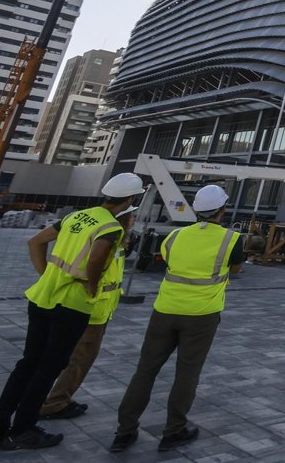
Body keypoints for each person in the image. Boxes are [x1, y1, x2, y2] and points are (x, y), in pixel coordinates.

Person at [0, 172, 143, 451]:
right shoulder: (110, 227)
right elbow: (97, 259)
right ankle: (24, 429)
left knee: (27, 363)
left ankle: (0, 425)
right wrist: (92, 286)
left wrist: (46, 275)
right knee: (48, 368)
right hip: (70, 306)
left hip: (42, 297)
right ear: (130, 200)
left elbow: (35, 241)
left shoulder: (77, 216)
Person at [110, 184, 243, 453]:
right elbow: (236, 268)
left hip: (165, 310)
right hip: (202, 315)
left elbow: (170, 261)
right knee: (187, 373)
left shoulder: (174, 237)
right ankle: (174, 430)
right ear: (223, 209)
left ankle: (124, 431)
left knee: (145, 371)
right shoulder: (232, 239)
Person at [39, 206, 138, 421]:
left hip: (87, 303)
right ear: (125, 216)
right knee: (80, 357)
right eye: (133, 215)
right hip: (92, 306)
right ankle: (55, 402)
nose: (134, 219)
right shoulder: (109, 235)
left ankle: (44, 398)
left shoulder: (105, 233)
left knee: (65, 355)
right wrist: (92, 287)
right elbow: (94, 263)